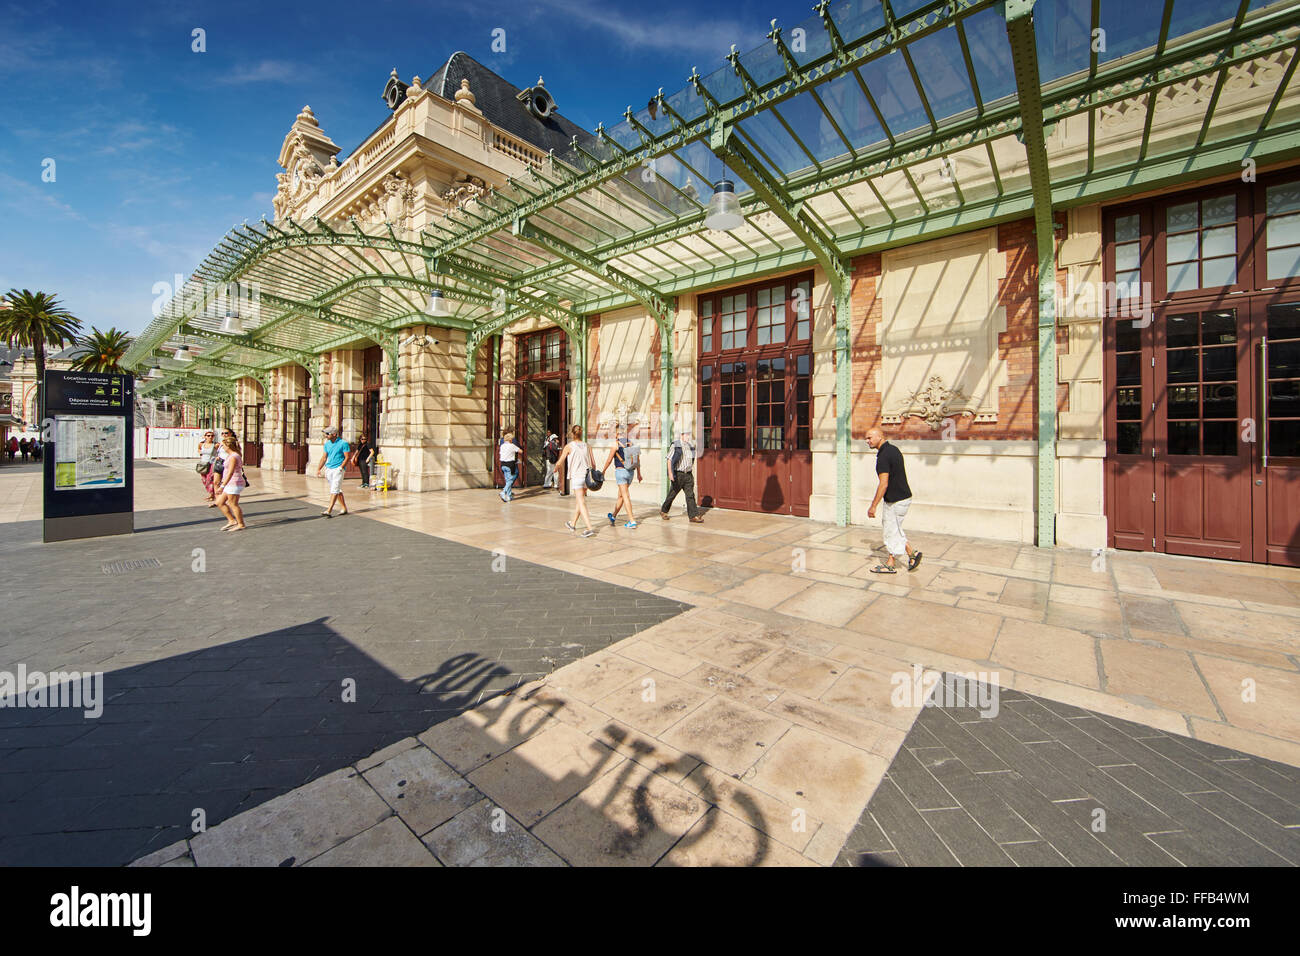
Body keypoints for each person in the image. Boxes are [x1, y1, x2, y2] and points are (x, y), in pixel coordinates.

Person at [866, 426, 921, 574]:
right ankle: (912, 554)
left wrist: (873, 506)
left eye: (870, 437)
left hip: (896, 500)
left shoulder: (883, 457)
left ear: (880, 436)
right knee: (895, 529)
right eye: (866, 438)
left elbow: (883, 484)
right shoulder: (893, 450)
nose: (867, 441)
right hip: (903, 498)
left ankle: (891, 565)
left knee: (891, 531)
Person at [553, 424, 596, 537]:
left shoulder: (569, 446)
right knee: (580, 501)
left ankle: (590, 528)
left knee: (581, 502)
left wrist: (556, 468)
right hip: (586, 477)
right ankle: (572, 523)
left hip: (577, 477)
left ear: (572, 434)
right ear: (581, 433)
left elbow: (560, 461)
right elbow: (593, 464)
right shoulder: (587, 446)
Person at [661, 427, 703, 523]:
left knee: (690, 495)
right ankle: (664, 510)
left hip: (688, 475)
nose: (688, 437)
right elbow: (669, 459)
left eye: (689, 435)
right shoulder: (676, 445)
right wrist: (670, 473)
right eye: (686, 435)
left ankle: (693, 516)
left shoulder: (690, 446)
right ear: (681, 435)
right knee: (672, 494)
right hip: (678, 474)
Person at [602, 426, 642, 528]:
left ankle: (632, 521)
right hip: (630, 473)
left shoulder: (615, 444)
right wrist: (639, 474)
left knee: (625, 496)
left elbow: (609, 460)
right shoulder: (631, 443)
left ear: (616, 433)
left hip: (621, 472)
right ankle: (613, 516)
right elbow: (637, 459)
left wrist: (603, 471)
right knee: (621, 496)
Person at [214, 436, 248, 531]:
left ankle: (241, 524)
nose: (222, 447)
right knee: (219, 502)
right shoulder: (230, 455)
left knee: (232, 504)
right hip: (229, 483)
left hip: (234, 483)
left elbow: (230, 472)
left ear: (228, 446)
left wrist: (222, 486)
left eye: (223, 445)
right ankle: (232, 521)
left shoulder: (234, 457)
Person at [316, 425, 350, 516]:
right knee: (336, 489)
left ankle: (329, 510)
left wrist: (341, 467)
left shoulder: (343, 443)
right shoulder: (327, 444)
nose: (326, 436)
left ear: (334, 434)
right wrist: (319, 468)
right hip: (329, 469)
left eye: (327, 434)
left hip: (338, 469)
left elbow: (347, 457)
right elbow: (324, 457)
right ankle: (344, 508)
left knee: (334, 489)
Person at [498, 430, 522, 502]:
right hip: (509, 465)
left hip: (503, 464)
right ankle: (503, 491)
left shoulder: (502, 446)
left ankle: (509, 496)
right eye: (512, 439)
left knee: (507, 480)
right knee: (510, 480)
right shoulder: (512, 446)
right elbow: (521, 451)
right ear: (510, 439)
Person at [197, 430, 220, 504]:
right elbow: (199, 450)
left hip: (211, 463)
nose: (210, 437)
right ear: (205, 436)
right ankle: (211, 493)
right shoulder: (201, 444)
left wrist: (217, 457)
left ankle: (212, 495)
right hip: (203, 464)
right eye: (208, 435)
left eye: (212, 436)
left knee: (209, 479)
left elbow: (220, 452)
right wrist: (200, 454)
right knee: (204, 479)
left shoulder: (216, 445)